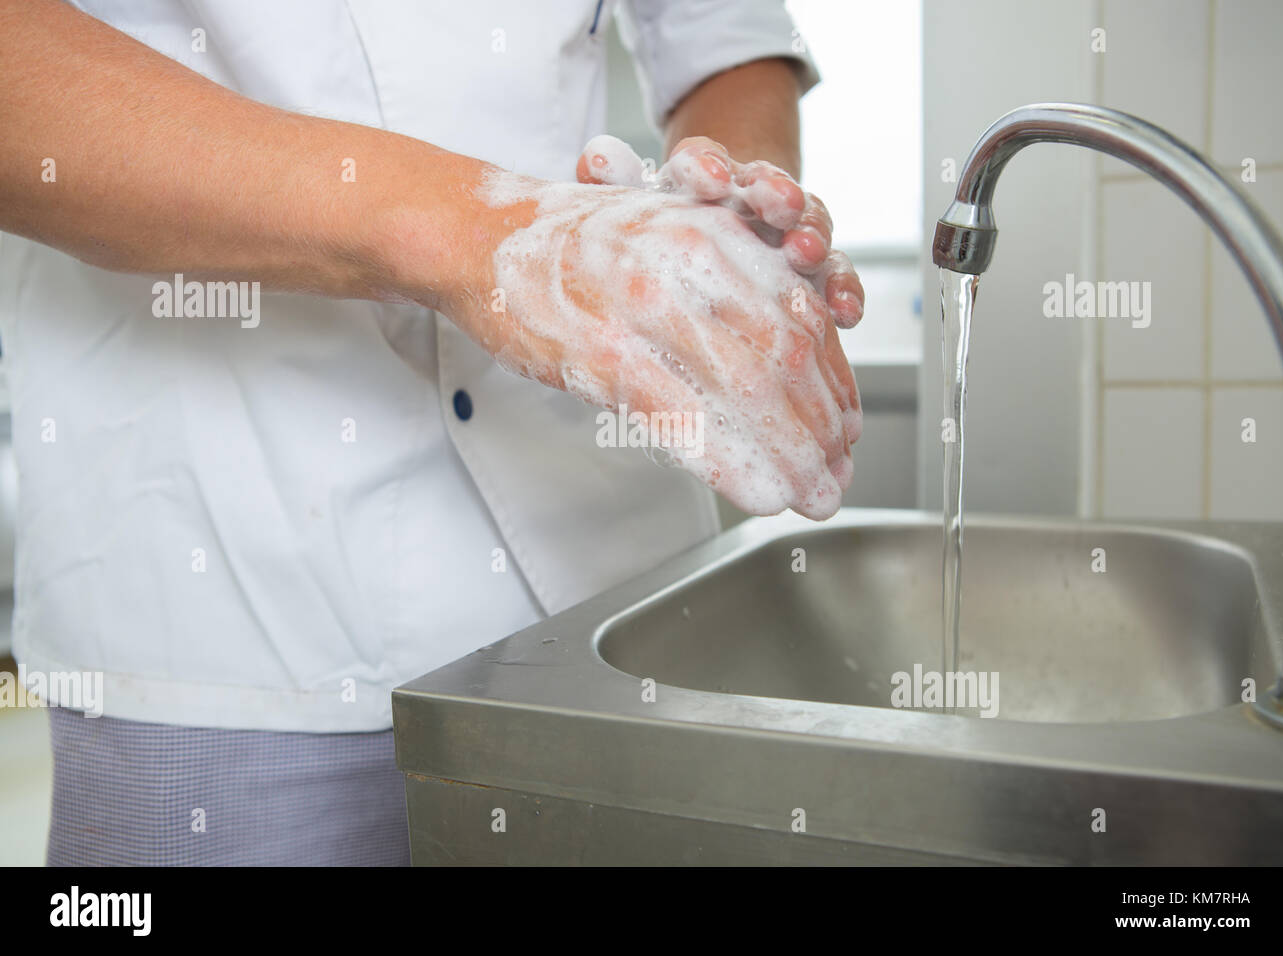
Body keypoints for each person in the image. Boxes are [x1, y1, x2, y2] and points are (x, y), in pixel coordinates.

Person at [0, 0, 864, 865]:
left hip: (603, 589)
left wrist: (718, 224)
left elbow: (722, 33)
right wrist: (486, 234)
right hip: (222, 592)